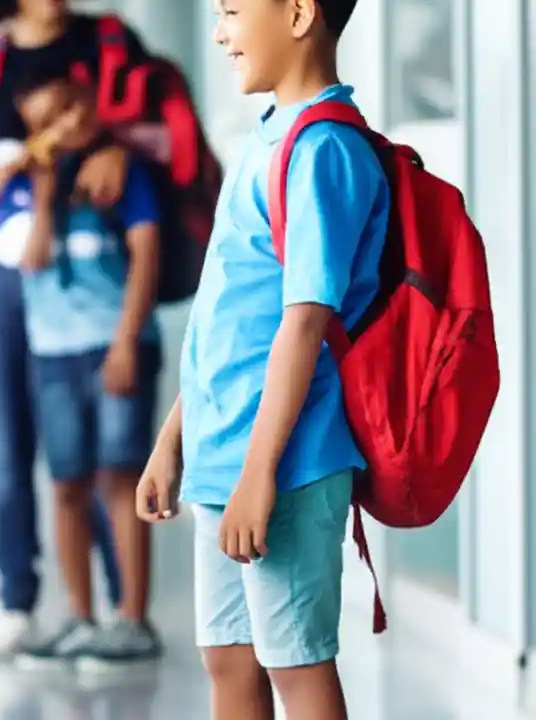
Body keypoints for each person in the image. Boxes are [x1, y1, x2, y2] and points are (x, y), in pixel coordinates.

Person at [136, 1, 384, 718]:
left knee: (298, 670)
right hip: (226, 459)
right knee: (228, 661)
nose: (219, 31)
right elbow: (228, 318)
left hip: (285, 467)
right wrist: (172, 440)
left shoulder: (324, 151)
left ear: (300, 12)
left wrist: (257, 475)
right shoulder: (271, 137)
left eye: (233, 10)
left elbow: (303, 327)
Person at [0, 0, 128, 658]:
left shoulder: (109, 40)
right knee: (5, 445)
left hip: (91, 273)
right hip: (6, 261)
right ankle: (17, 603)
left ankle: (118, 608)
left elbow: (147, 133)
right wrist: (27, 166)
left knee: (102, 449)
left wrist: (113, 148)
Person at [4, 73, 163, 669]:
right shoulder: (21, 187)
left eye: (72, 107)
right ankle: (79, 614)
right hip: (53, 353)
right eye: (49, 119)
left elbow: (147, 256)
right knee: (67, 483)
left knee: (121, 478)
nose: (66, 123)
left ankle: (132, 617)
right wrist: (43, 194)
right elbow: (32, 255)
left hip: (114, 346)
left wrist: (126, 343)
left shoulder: (125, 174)